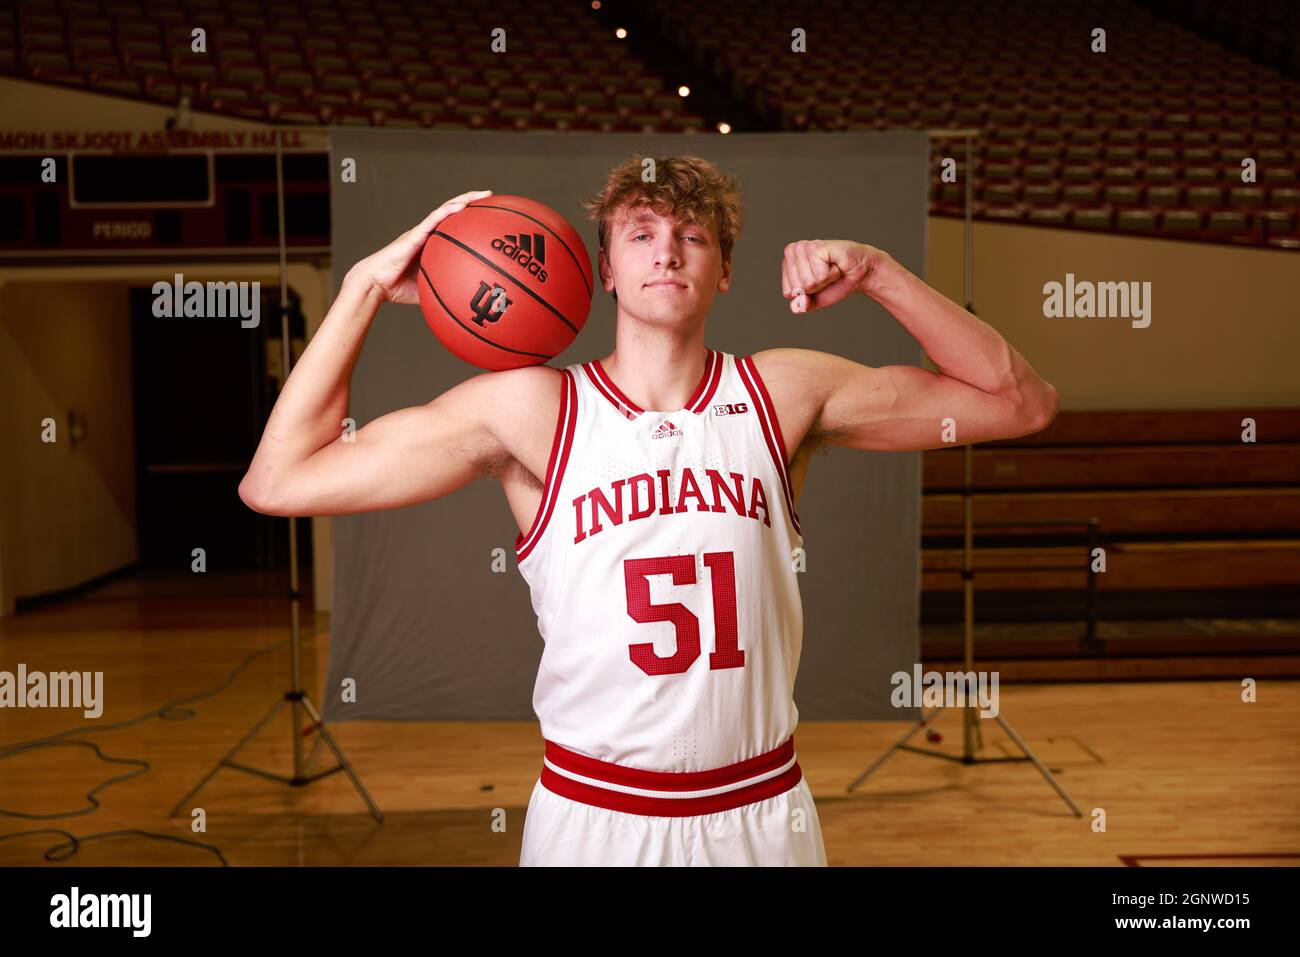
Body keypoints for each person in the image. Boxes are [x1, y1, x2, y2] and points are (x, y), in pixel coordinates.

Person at [239, 154, 1059, 866]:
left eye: (693, 236)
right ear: (601, 268)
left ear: (725, 267)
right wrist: (364, 288)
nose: (667, 251)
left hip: (760, 811)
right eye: (641, 233)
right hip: (597, 819)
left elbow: (1019, 401)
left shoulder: (783, 391)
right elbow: (278, 481)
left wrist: (881, 271)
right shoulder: (531, 409)